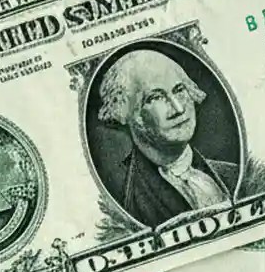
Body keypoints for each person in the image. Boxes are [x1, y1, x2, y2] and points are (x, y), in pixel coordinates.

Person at [96, 49, 239, 227]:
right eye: (156, 97)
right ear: (123, 111)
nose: (178, 109)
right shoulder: (127, 205)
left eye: (180, 90)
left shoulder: (234, 175)